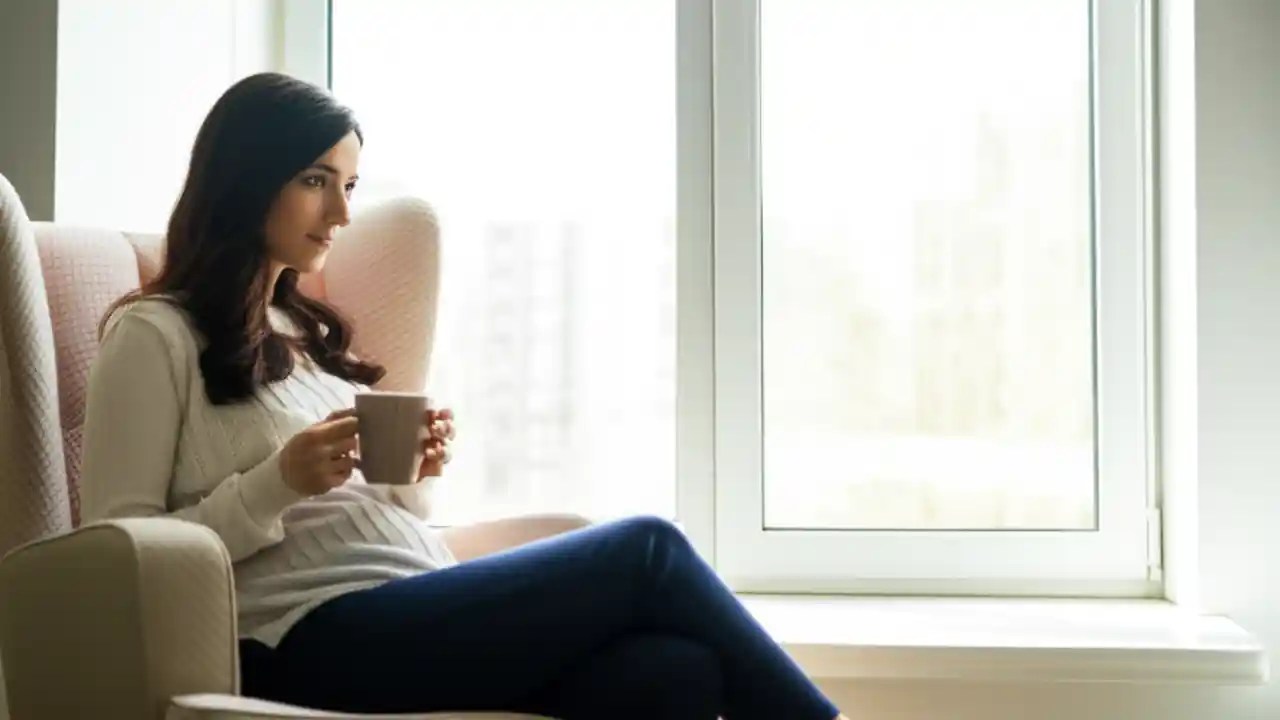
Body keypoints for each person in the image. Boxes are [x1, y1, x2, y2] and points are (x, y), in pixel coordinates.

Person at [80, 72, 848, 720]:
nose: (341, 214)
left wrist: (408, 472)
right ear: (246, 177)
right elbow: (125, 556)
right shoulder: (156, 335)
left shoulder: (303, 334)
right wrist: (276, 483)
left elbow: (373, 518)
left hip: (415, 601)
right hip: (297, 639)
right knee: (648, 547)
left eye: (348, 186)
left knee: (676, 673)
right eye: (316, 181)